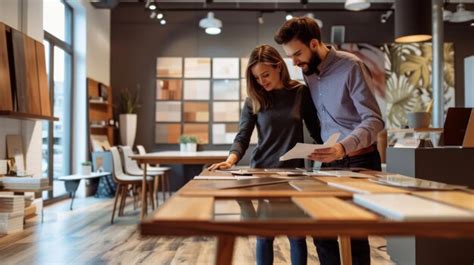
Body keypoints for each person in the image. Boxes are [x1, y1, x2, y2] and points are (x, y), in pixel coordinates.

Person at [274, 16, 385, 265]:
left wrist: (342, 147)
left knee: (356, 236)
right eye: (290, 56)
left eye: (297, 54)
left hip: (360, 160)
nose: (294, 62)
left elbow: (374, 120)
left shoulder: (352, 67)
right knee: (321, 232)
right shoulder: (309, 73)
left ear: (314, 43)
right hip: (329, 162)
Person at [208, 44, 322, 265]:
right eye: (257, 78)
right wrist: (230, 160)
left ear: (279, 66)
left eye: (265, 75)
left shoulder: (300, 93)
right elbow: (242, 136)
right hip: (262, 174)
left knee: (297, 235)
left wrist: (329, 148)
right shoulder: (254, 99)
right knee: (265, 234)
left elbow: (316, 131)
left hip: (294, 174)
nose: (262, 82)